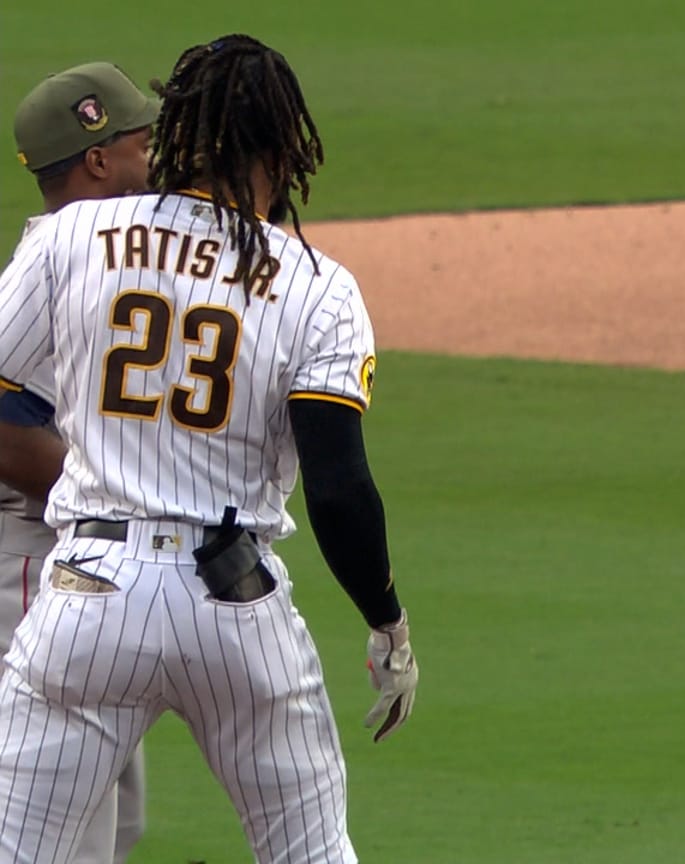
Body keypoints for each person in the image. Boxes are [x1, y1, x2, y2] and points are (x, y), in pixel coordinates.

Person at [0, 34, 419, 863]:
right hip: (235, 605)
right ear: (284, 146)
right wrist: (388, 623)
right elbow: (338, 489)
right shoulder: (316, 285)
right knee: (313, 853)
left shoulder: (73, 235)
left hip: (88, 598)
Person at [0, 59, 160, 864]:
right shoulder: (51, 271)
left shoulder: (109, 261)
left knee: (113, 823)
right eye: (142, 142)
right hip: (31, 566)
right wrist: (133, 499)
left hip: (94, 575)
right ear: (97, 159)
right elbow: (2, 425)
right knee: (58, 834)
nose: (156, 158)